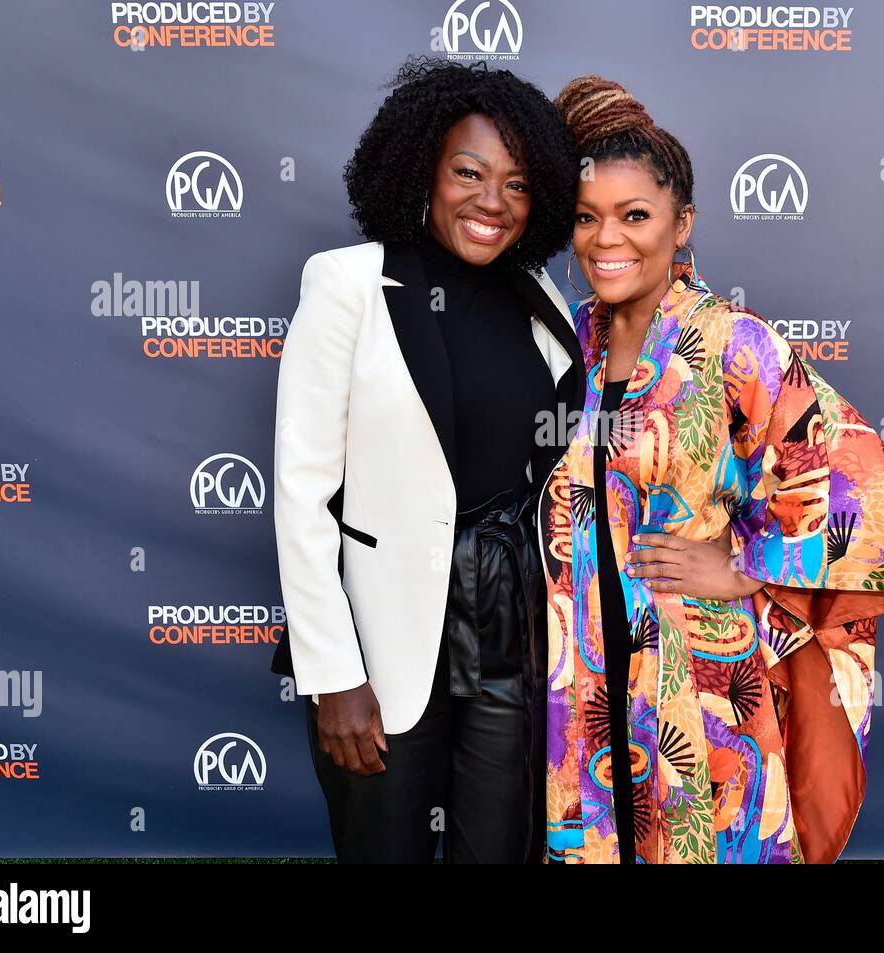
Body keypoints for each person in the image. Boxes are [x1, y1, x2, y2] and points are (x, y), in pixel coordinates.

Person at [538, 75, 884, 863]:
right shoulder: (562, 338)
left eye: (635, 215)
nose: (607, 238)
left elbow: (852, 467)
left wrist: (745, 564)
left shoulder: (731, 340)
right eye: (587, 218)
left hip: (696, 667)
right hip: (578, 668)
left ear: (682, 224)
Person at [270, 56, 583, 863]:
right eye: (469, 172)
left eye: (517, 184)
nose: (491, 201)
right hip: (382, 631)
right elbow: (302, 495)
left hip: (508, 625)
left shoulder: (539, 295)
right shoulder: (346, 284)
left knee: (498, 848)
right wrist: (331, 673)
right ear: (422, 171)